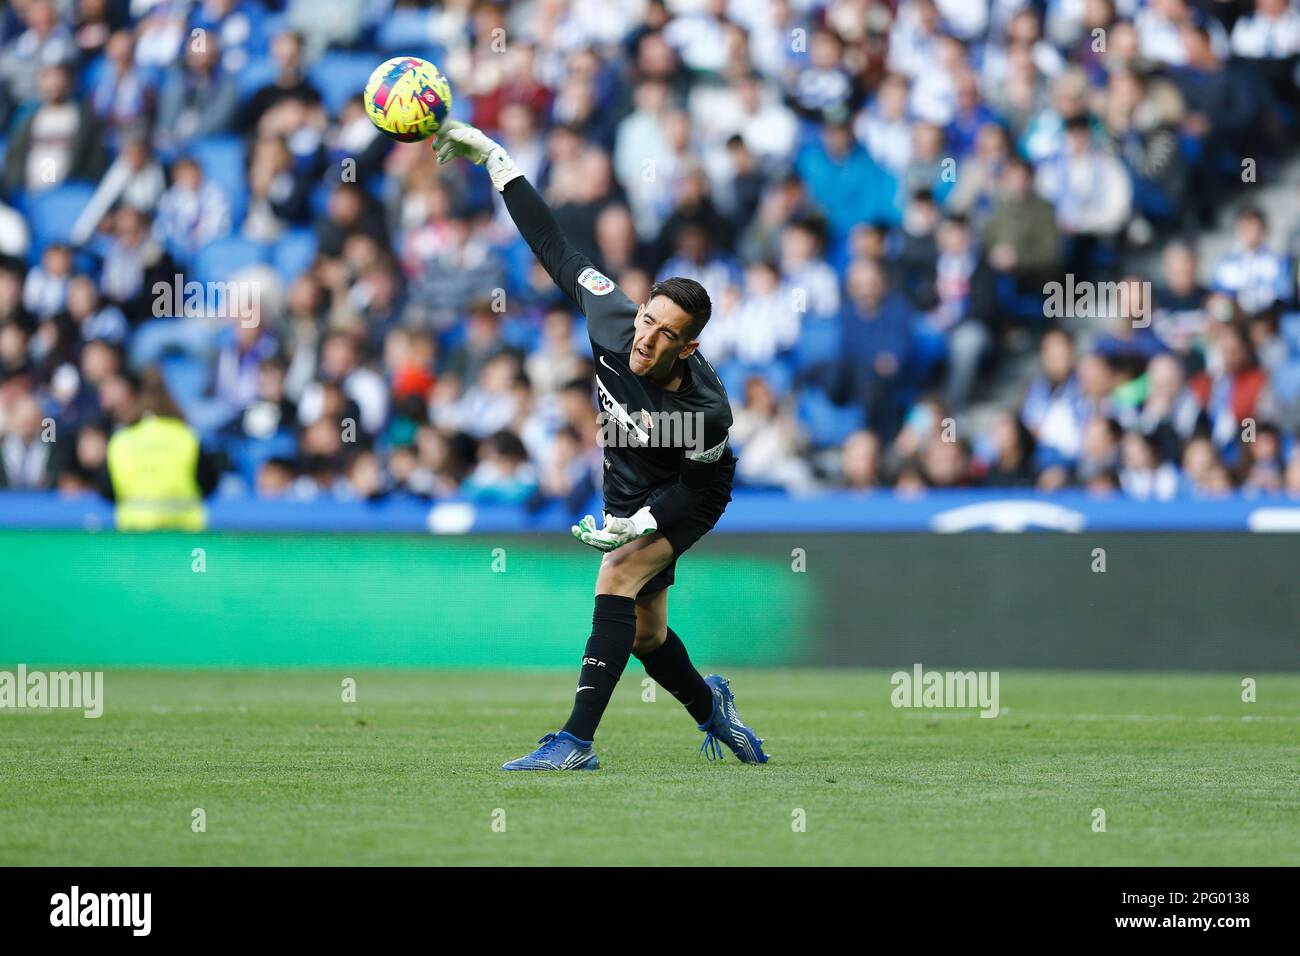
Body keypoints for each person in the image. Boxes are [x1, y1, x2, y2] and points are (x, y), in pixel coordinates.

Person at [435, 120, 769, 771]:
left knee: (615, 574)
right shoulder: (612, 317)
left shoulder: (706, 410)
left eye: (665, 333)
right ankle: (712, 708)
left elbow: (697, 486)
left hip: (687, 496)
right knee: (645, 633)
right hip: (627, 483)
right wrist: (497, 158)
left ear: (689, 346)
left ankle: (575, 742)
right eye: (647, 318)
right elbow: (552, 244)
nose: (646, 338)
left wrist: (639, 524)